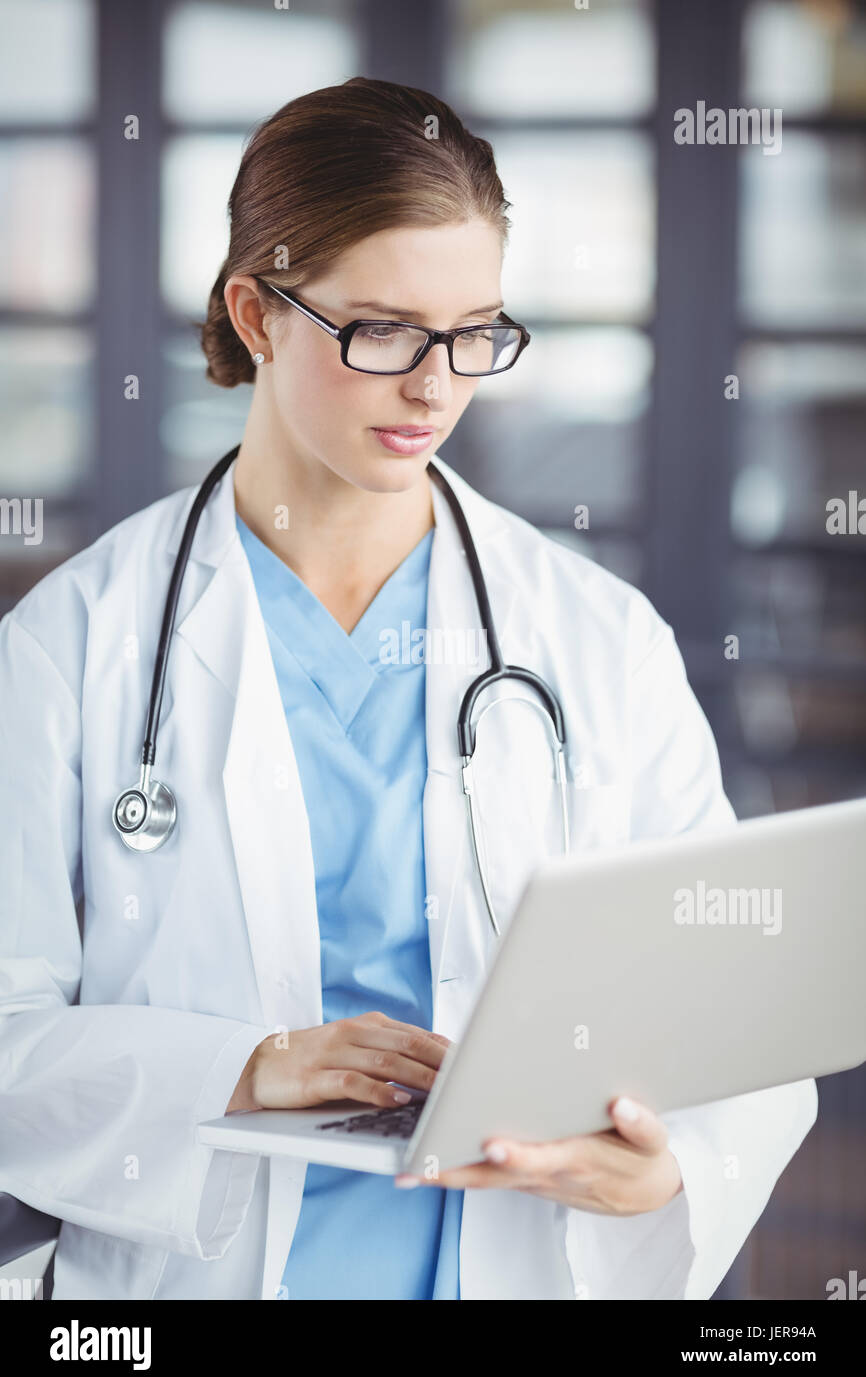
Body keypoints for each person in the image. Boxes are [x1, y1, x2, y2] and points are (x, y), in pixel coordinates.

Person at [0, 77, 816, 1301]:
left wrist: (669, 1168)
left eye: (475, 331)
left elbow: (732, 1018)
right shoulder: (75, 645)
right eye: (381, 330)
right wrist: (241, 1066)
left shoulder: (596, 641)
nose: (437, 386)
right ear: (256, 313)